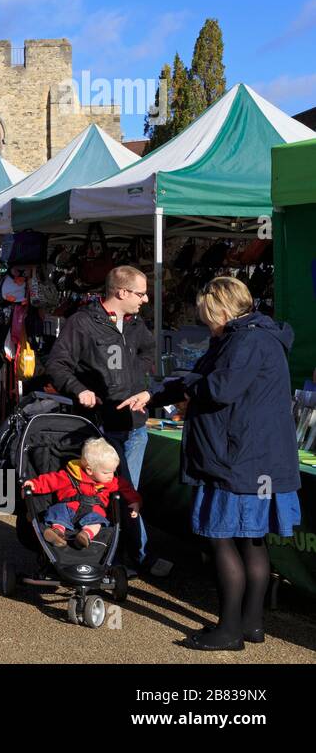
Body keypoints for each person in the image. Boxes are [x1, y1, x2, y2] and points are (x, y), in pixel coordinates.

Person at [118, 277, 301, 650]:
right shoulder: (251, 337)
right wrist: (154, 394)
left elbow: (217, 388)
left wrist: (185, 390)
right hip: (255, 460)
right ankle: (250, 625)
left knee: (221, 542)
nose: (205, 323)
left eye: (206, 315)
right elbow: (202, 379)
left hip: (237, 460)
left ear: (221, 309)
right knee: (252, 542)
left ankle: (229, 631)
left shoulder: (245, 340)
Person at [46, 264, 158, 570]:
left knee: (128, 490)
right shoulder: (82, 322)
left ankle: (135, 556)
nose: (145, 299)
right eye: (140, 293)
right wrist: (79, 388)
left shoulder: (136, 324)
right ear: (121, 292)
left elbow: (149, 352)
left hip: (134, 426)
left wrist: (141, 381)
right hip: (101, 427)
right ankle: (112, 554)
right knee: (112, 491)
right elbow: (57, 363)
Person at [24, 437, 141, 549]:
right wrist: (34, 485)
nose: (111, 476)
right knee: (57, 512)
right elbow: (50, 480)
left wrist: (134, 501)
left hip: (93, 512)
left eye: (113, 471)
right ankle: (57, 532)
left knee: (97, 522)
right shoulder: (70, 476)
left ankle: (85, 536)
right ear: (89, 470)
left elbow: (126, 488)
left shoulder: (111, 481)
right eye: (106, 472)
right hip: (67, 507)